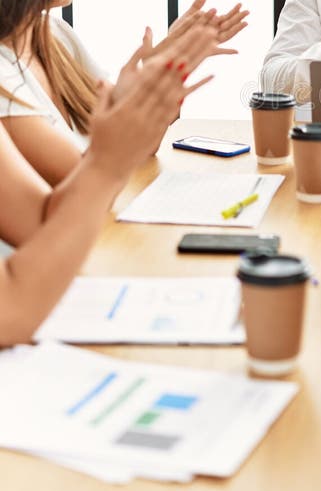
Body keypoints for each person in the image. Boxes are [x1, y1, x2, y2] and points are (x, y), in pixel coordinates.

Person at [0, 0, 248, 185]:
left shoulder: (56, 34)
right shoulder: (4, 76)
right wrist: (151, 85)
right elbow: (88, 182)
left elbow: (142, 150)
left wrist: (162, 72)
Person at [0, 19, 217, 347]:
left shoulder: (55, 35)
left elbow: (41, 220)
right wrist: (106, 164)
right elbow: (10, 311)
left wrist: (142, 104)